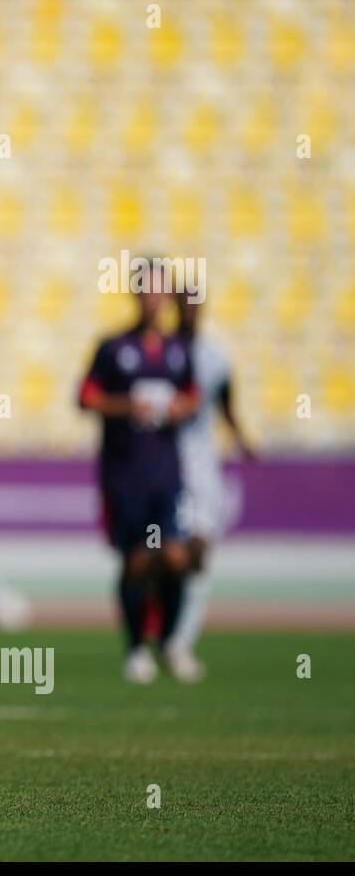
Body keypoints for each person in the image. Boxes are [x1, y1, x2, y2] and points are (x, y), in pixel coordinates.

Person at [78, 272, 198, 684]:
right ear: (135, 293)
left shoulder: (178, 350)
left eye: (160, 289)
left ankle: (169, 640)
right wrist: (127, 406)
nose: (153, 297)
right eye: (146, 288)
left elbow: (193, 395)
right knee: (137, 559)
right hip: (126, 474)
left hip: (166, 473)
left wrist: (182, 407)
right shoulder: (114, 348)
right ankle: (135, 649)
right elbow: (86, 397)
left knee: (176, 556)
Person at [168, 291, 255, 680]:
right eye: (182, 302)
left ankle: (180, 642)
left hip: (202, 468)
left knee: (200, 552)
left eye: (194, 302)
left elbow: (226, 403)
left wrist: (243, 439)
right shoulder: (162, 352)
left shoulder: (215, 357)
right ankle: (154, 633)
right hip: (164, 465)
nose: (189, 309)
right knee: (164, 552)